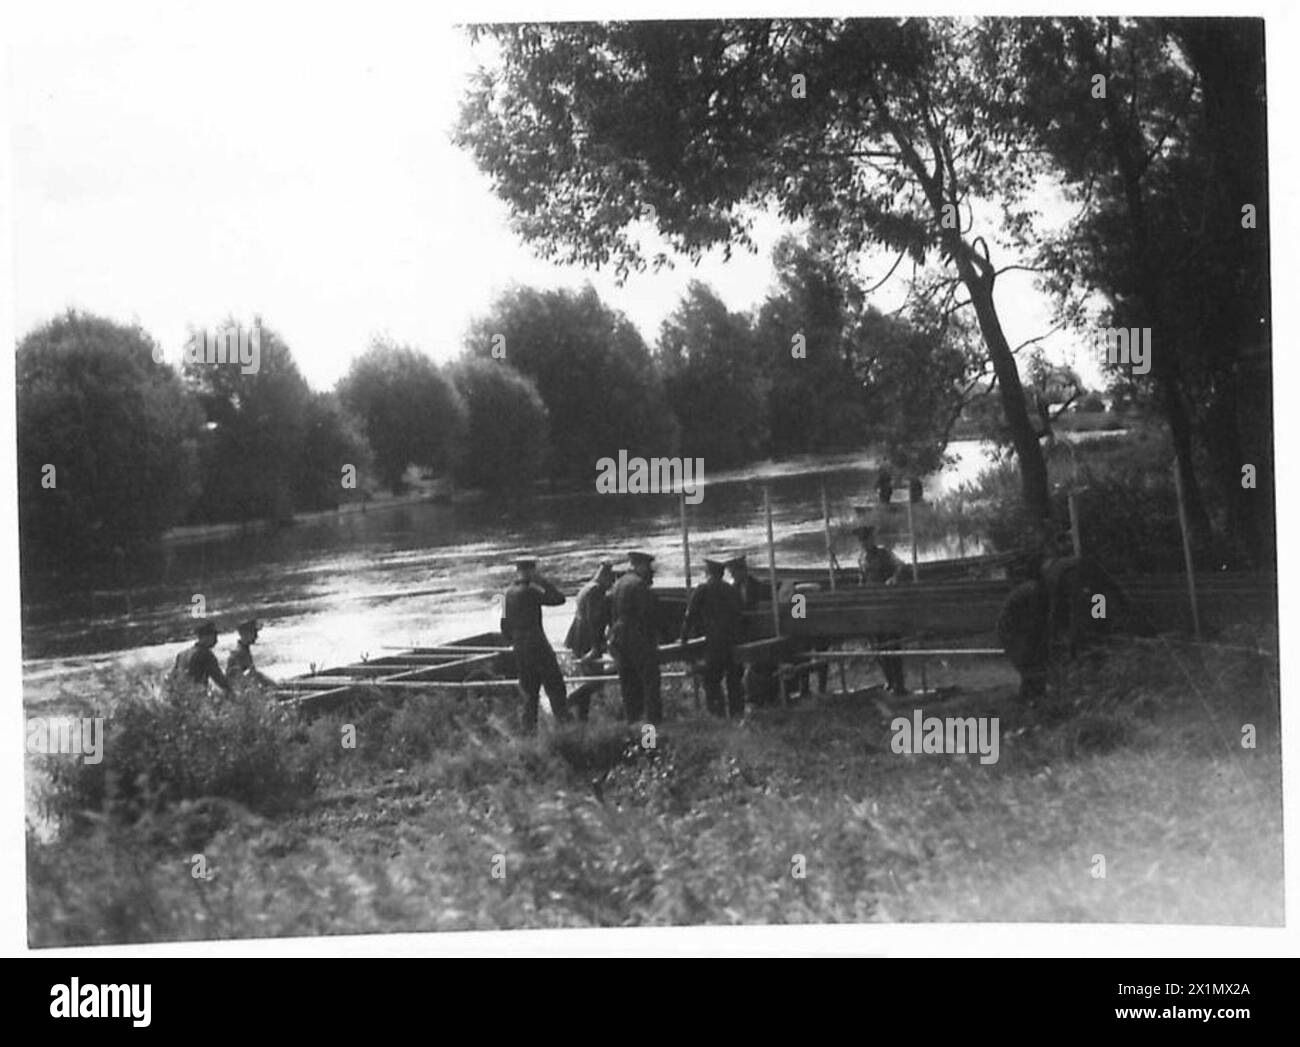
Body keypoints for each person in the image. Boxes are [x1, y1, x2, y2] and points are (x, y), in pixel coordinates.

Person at [500, 556, 569, 730]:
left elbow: (504, 626)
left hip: (520, 648)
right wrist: (542, 582)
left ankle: (528, 732)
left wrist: (515, 642)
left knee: (529, 694)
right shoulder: (530, 591)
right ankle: (564, 727)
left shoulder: (506, 594)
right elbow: (559, 599)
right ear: (531, 571)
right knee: (555, 686)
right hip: (537, 644)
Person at [681, 558, 745, 718]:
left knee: (712, 680)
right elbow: (740, 613)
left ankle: (718, 715)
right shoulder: (731, 590)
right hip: (734, 641)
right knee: (734, 681)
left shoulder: (702, 589)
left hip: (714, 643)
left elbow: (690, 616)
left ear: (708, 573)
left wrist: (683, 638)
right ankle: (737, 715)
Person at [609, 551, 663, 724]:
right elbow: (648, 615)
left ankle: (633, 732)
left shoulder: (618, 584)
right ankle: (650, 738)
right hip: (637, 638)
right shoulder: (639, 585)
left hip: (618, 639)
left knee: (629, 689)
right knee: (650, 687)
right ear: (640, 566)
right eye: (648, 567)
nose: (650, 571)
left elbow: (610, 612)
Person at [854, 525, 909, 694]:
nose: (865, 543)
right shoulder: (862, 558)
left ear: (872, 539)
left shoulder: (884, 553)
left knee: (892, 644)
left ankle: (899, 684)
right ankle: (889, 681)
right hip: (871, 607)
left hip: (888, 605)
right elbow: (861, 579)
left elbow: (901, 565)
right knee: (878, 647)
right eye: (862, 541)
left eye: (867, 539)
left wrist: (893, 578)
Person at [564, 560, 616, 722]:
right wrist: (595, 647)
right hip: (586, 640)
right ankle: (566, 704)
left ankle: (582, 719)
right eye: (611, 582)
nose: (611, 587)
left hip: (577, 639)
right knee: (596, 682)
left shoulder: (587, 587)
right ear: (606, 578)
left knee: (590, 680)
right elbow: (594, 620)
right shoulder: (596, 591)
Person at [996, 554, 1050, 704]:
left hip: (1013, 631)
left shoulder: (1032, 588)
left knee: (1032, 668)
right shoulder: (1034, 590)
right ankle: (1031, 699)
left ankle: (1031, 698)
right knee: (1032, 667)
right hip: (1014, 633)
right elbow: (1036, 621)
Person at [171, 619, 231, 696]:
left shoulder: (182, 654)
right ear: (207, 636)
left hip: (180, 698)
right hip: (197, 699)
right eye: (215, 635)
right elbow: (220, 681)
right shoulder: (206, 655)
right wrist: (233, 693)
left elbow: (172, 679)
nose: (217, 640)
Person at [226, 618, 276, 687]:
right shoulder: (239, 653)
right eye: (254, 632)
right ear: (245, 633)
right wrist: (272, 684)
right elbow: (252, 675)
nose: (256, 636)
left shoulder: (244, 650)